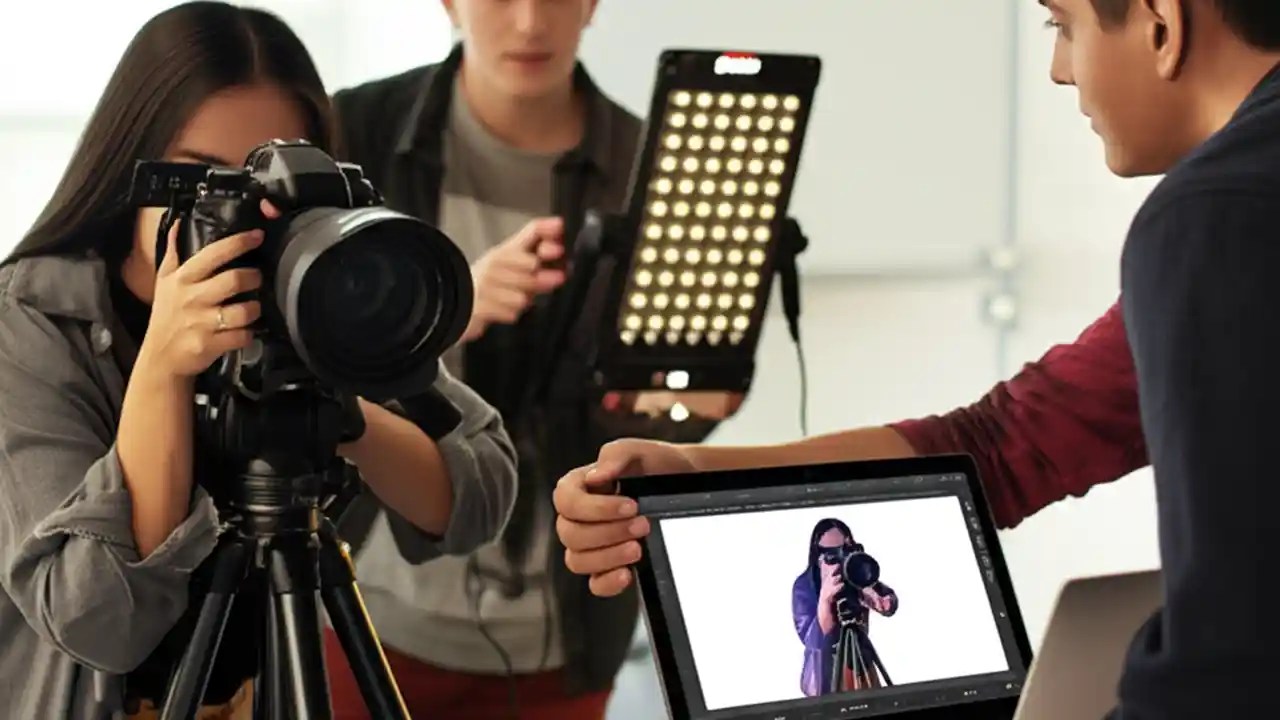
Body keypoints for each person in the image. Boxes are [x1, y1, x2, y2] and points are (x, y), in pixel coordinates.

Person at [554, 0, 1280, 717]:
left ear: (1162, 21)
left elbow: (1228, 657)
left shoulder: (1214, 215)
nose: (1059, 70)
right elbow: (1003, 444)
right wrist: (689, 474)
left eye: (1063, 23)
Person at [0, 3, 518, 719]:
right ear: (135, 170)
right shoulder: (30, 321)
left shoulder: (313, 301)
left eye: (268, 183)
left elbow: (481, 495)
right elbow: (98, 621)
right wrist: (164, 367)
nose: (245, 218)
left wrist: (337, 409)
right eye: (208, 183)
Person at [322, 2, 734, 717]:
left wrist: (683, 411)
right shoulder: (355, 133)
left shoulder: (659, 171)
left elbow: (663, 420)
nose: (528, 23)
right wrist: (449, 310)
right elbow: (301, 351)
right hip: (362, 614)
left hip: (564, 637)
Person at [794, 519, 897, 697]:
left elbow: (886, 598)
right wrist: (825, 599)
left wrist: (880, 599)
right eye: (831, 554)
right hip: (826, 671)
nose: (840, 558)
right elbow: (812, 640)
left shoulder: (854, 572)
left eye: (846, 549)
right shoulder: (804, 585)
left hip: (859, 663)